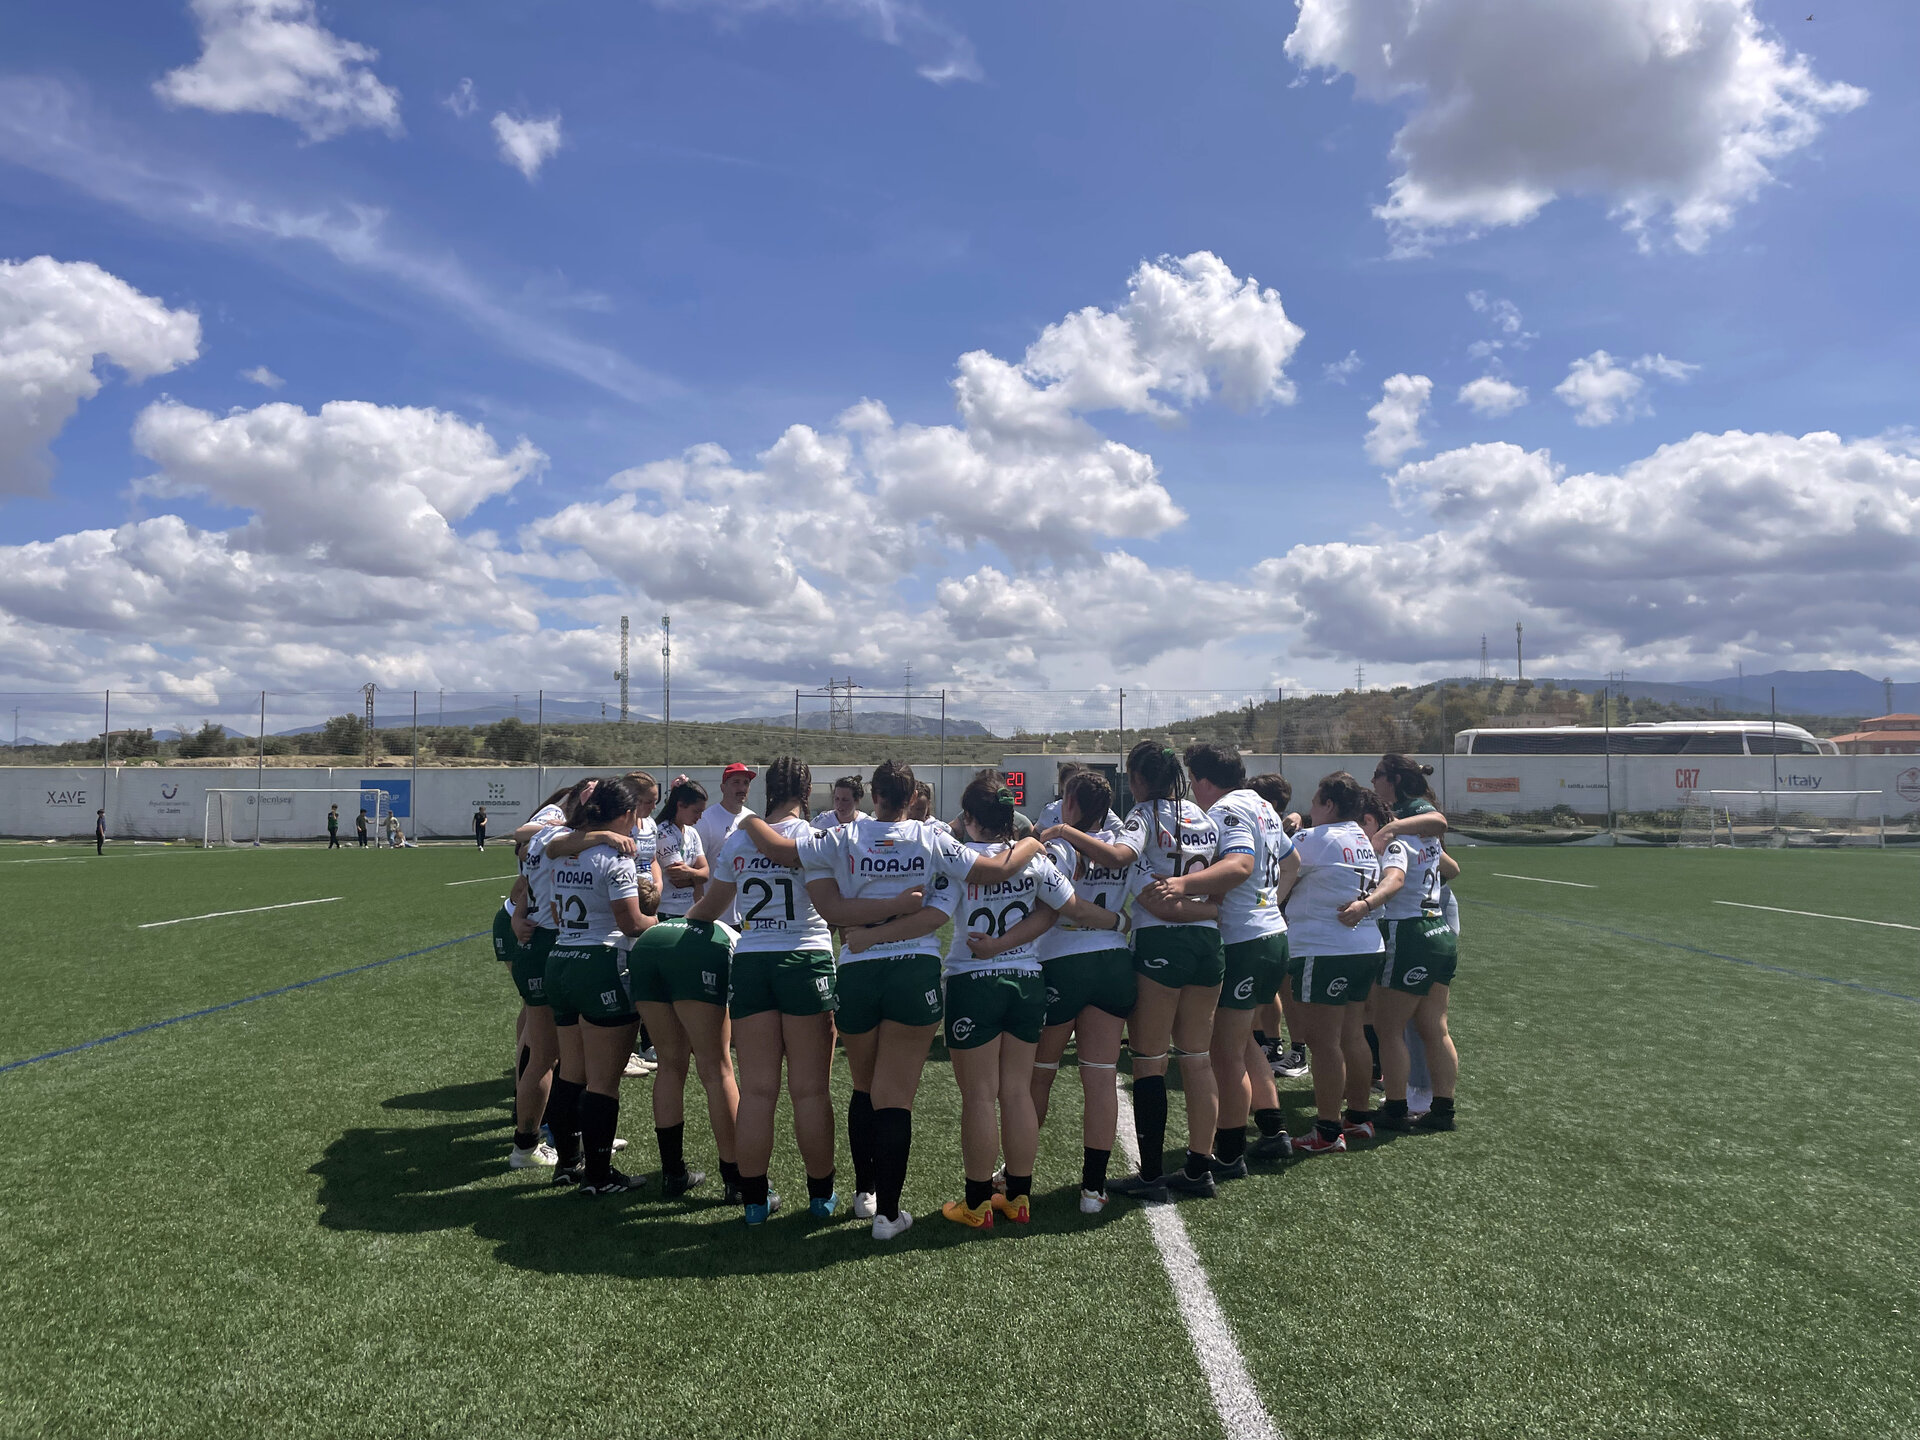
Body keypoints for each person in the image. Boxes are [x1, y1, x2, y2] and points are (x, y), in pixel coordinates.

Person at [736, 758, 1047, 1241]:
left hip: (859, 971)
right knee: (896, 1096)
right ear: (911, 798)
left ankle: (865, 1193)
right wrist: (1032, 839)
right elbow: (993, 868)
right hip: (914, 970)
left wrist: (748, 816)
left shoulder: (839, 836)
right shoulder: (931, 838)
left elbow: (793, 864)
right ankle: (889, 1216)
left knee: (864, 1087)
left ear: (872, 795)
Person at [1044, 740, 1223, 1201]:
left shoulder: (1143, 817)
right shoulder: (1204, 815)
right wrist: (1210, 911)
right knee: (1198, 1059)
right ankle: (1201, 1166)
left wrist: (1063, 832)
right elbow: (1225, 877)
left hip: (1161, 941)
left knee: (1148, 1062)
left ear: (1138, 779)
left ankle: (1149, 1176)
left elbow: (1125, 864)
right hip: (1208, 943)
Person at [686, 756, 840, 1224]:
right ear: (806, 792)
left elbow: (710, 908)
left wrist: (669, 929)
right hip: (804, 959)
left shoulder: (737, 838)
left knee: (757, 1092)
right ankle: (820, 1197)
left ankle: (753, 1202)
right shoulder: (813, 838)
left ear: (767, 790)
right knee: (811, 1092)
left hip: (751, 962)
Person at [1030, 767, 1185, 1212]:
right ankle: (1093, 1189)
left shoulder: (1059, 845)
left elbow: (1047, 902)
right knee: (1100, 1079)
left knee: (1040, 1074)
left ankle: (1016, 1175)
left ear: (1071, 804)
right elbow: (1148, 893)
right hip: (1114, 963)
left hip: (1063, 962)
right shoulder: (1123, 847)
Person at [1145, 743, 1301, 1171]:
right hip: (1271, 935)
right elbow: (1293, 862)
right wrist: (1271, 905)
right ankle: (1272, 1129)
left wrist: (1178, 887)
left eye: (1194, 781)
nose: (1193, 791)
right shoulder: (1262, 806)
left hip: (1243, 941)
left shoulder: (1227, 809)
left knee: (1223, 1051)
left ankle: (1230, 1152)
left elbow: (1240, 866)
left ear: (1206, 781)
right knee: (1243, 1039)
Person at [541, 776, 662, 1193]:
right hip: (600, 964)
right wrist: (661, 924)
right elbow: (630, 923)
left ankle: (567, 1163)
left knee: (570, 1072)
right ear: (627, 814)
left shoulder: (566, 850)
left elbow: (549, 853)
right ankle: (598, 1175)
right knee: (603, 1082)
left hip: (561, 959)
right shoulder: (616, 856)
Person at [1285, 772, 1402, 1155]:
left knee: (1323, 1040)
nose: (1311, 809)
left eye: (1316, 802)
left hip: (1326, 947)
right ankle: (1358, 1117)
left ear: (1329, 805)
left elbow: (1279, 868)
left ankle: (1326, 1128)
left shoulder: (1317, 839)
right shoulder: (1363, 840)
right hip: (1365, 945)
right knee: (1352, 1033)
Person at [1369, 755, 1461, 1133]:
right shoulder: (1410, 825)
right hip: (1437, 930)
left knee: (1388, 1028)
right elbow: (1449, 867)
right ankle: (1442, 1109)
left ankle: (1395, 1108)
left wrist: (1388, 830)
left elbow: (1438, 820)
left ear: (1393, 779)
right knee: (1434, 1027)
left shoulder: (1408, 815)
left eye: (1377, 776)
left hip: (1408, 931)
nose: (1373, 782)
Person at [1248, 773, 1308, 1080]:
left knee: (1286, 988)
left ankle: (1298, 1050)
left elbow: (1294, 865)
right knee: (1267, 987)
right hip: (1270, 916)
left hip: (1280, 916)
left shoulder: (1291, 833)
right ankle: (1271, 1042)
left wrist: (1274, 902)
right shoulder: (1270, 828)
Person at [655, 779, 711, 919]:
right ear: (680, 805)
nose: (699, 817)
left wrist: (690, 874)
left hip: (688, 909)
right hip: (666, 911)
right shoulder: (663, 832)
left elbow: (706, 874)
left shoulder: (692, 833)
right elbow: (678, 880)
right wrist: (697, 876)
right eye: (696, 811)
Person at [696, 762, 757, 863]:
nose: (742, 788)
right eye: (736, 782)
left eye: (746, 783)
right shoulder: (706, 820)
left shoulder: (753, 819)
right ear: (723, 788)